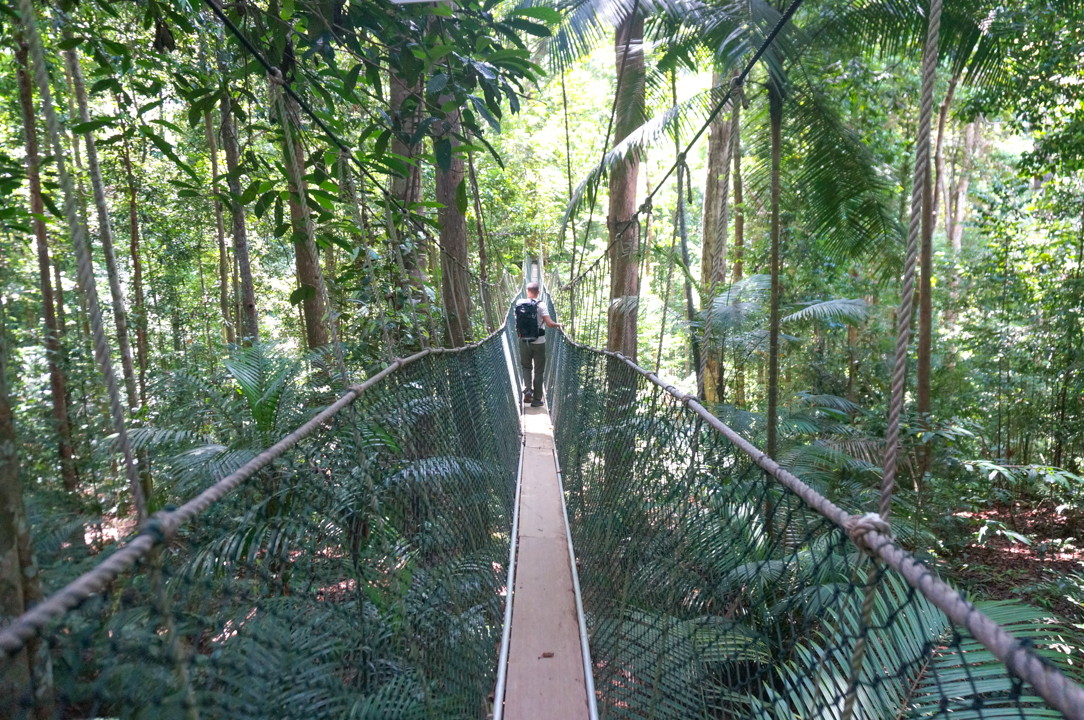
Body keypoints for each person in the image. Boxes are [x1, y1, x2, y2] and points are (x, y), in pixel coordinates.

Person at [515, 282, 562, 407]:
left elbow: (517, 320)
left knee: (526, 367)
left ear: (527, 291)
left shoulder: (519, 303)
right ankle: (536, 400)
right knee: (538, 371)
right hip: (539, 342)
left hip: (523, 341)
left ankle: (528, 390)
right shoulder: (541, 305)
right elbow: (550, 324)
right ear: (539, 292)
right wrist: (559, 324)